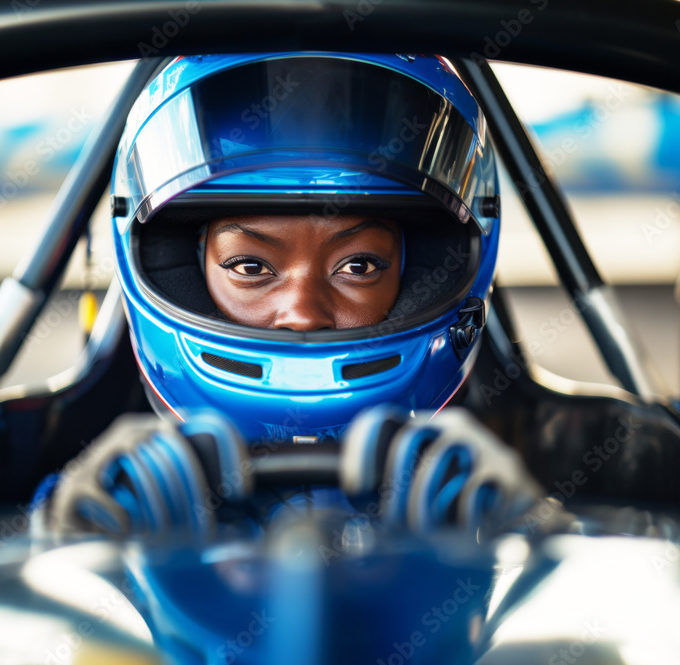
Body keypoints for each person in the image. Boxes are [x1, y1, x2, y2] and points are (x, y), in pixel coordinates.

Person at [43, 53, 536, 539]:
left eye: (357, 266)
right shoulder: (92, 511)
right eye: (252, 267)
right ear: (179, 267)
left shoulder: (500, 510)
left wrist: (530, 533)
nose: (301, 315)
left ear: (423, 272)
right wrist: (63, 530)